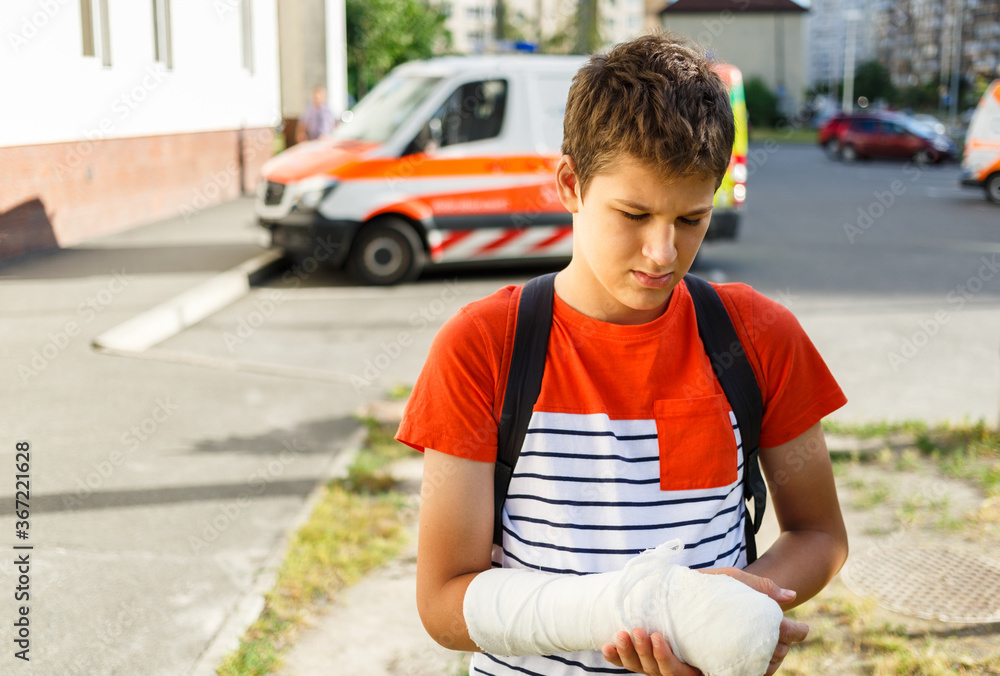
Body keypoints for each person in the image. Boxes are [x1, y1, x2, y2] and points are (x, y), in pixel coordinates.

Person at [395, 31, 849, 676]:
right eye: (633, 213)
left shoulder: (759, 337)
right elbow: (444, 603)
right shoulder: (481, 348)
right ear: (570, 184)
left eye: (691, 219)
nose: (662, 253)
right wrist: (639, 607)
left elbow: (820, 535)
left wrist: (737, 608)